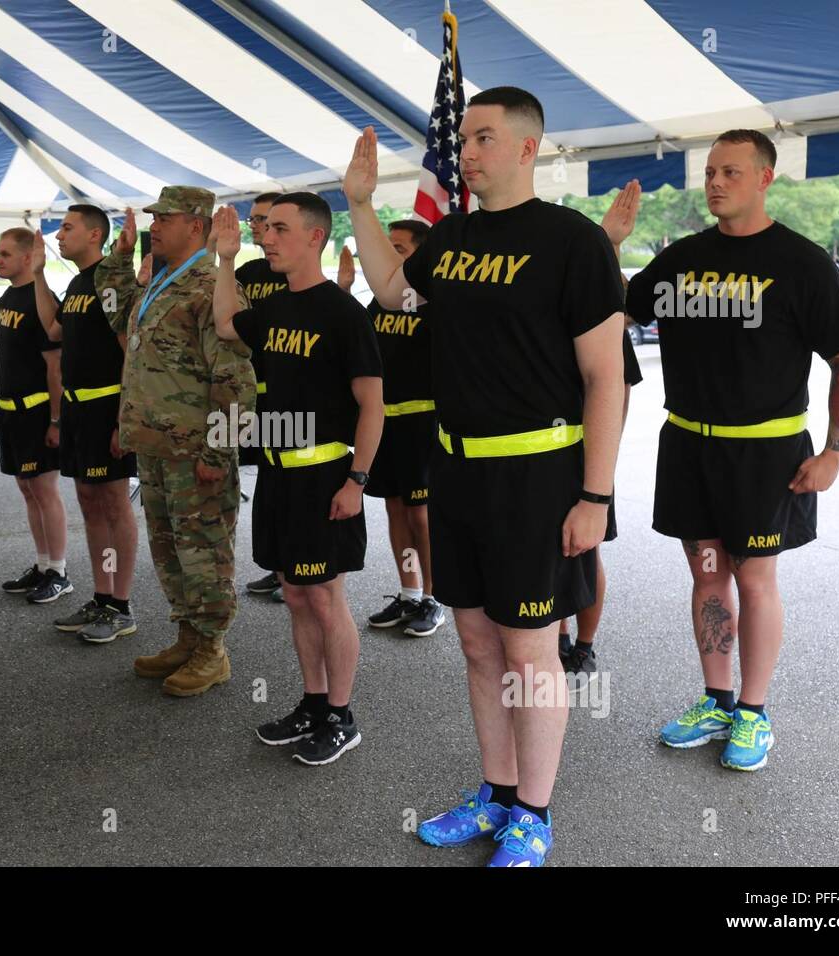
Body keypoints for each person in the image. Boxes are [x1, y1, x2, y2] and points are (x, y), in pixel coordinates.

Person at [345, 87, 625, 866]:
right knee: (475, 643)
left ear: (528, 148)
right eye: (463, 138)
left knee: (531, 652)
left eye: (483, 138)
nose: (465, 152)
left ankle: (533, 813)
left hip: (538, 476)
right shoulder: (452, 238)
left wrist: (595, 496)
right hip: (456, 471)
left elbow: (607, 378)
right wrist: (360, 207)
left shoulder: (573, 243)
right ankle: (497, 794)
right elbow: (393, 292)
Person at [628, 129, 839, 771]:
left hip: (765, 454)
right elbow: (616, 311)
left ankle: (754, 713)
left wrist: (836, 452)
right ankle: (717, 700)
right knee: (707, 574)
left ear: (765, 177)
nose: (715, 182)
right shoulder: (680, 260)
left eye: (730, 172)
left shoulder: (802, 262)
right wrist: (609, 244)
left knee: (755, 579)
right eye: (710, 172)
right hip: (688, 446)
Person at [213, 194, 383, 765]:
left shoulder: (344, 313)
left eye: (279, 228)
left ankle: (341, 715)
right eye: (264, 228)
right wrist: (225, 259)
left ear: (315, 237)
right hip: (277, 475)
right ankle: (313, 703)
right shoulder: (274, 308)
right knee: (294, 594)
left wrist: (356, 481)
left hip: (325, 477)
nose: (267, 237)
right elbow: (225, 324)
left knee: (326, 597)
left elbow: (373, 406)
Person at [94, 186, 255, 697]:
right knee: (169, 550)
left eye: (164, 218)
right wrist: (118, 261)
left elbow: (234, 377)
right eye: (154, 218)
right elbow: (117, 317)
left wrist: (217, 451)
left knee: (204, 551)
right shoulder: (160, 281)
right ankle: (188, 637)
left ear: (196, 226)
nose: (154, 226)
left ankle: (212, 650)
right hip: (156, 445)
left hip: (194, 451)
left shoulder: (212, 287)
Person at [31, 207, 140, 644]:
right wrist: (38, 274)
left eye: (67, 227)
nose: (58, 235)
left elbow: (130, 352)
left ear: (95, 235)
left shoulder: (110, 280)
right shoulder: (78, 283)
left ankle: (121, 606)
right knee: (90, 505)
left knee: (114, 505)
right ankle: (102, 595)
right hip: (77, 411)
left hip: (105, 409)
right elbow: (52, 329)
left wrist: (123, 419)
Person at [338, 220, 446, 639]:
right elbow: (354, 343)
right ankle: (409, 593)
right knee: (395, 509)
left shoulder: (436, 301)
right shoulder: (382, 302)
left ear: (420, 255)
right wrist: (345, 290)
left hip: (422, 423)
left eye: (398, 248)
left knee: (421, 515)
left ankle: (434, 598)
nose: (388, 254)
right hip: (385, 423)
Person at [558, 179, 645, 686]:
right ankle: (559, 635)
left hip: (587, 460)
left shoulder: (602, 326)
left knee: (585, 553)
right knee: (552, 555)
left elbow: (619, 393)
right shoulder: (549, 314)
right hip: (542, 456)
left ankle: (584, 646)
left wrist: (601, 469)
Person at [0, 230, 70, 606]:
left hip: (36, 412)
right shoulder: (10, 297)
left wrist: (55, 420)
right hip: (10, 412)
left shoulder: (42, 301)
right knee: (28, 490)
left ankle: (59, 572)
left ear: (27, 258)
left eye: (5, 254)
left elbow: (55, 367)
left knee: (44, 490)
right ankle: (42, 565)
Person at [234, 192, 290, 600]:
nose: (254, 226)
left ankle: (295, 568)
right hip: (241, 397)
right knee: (258, 481)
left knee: (284, 478)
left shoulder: (293, 275)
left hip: (282, 400)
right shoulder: (248, 272)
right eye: (252, 219)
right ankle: (276, 564)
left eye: (262, 219)